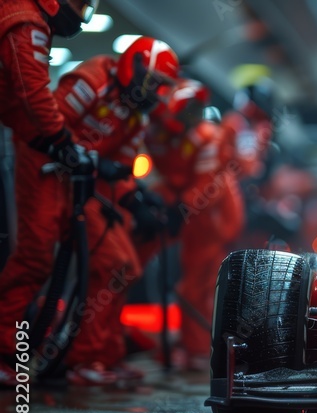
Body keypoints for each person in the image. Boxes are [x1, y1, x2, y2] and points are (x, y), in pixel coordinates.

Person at [3, 37, 179, 385]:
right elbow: (47, 129)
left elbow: (122, 169)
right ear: (138, 67)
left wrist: (136, 199)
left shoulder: (135, 118)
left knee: (122, 264)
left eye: (163, 88)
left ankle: (99, 356)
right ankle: (7, 353)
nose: (158, 94)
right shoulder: (92, 80)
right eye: (156, 83)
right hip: (44, 167)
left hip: (84, 182)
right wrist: (95, 162)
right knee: (35, 258)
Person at [0, 0, 99, 384]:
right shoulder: (26, 20)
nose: (80, 9)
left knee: (38, 256)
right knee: (35, 256)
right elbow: (33, 91)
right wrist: (61, 140)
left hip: (27, 143)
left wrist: (58, 143)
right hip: (31, 146)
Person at [144, 79, 245, 370]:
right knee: (193, 285)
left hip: (212, 216)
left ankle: (199, 350)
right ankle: (194, 348)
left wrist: (179, 207)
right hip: (191, 207)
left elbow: (205, 187)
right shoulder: (155, 135)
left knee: (198, 288)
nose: (193, 116)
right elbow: (170, 178)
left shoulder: (207, 137)